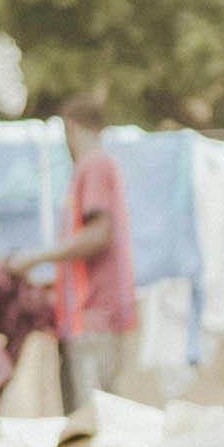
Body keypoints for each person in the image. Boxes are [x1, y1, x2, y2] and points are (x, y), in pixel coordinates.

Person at [43, 96, 134, 430]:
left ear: (70, 127)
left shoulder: (93, 165)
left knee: (92, 424)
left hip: (94, 315)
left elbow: (99, 236)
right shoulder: (99, 166)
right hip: (91, 315)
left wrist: (35, 257)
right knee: (95, 420)